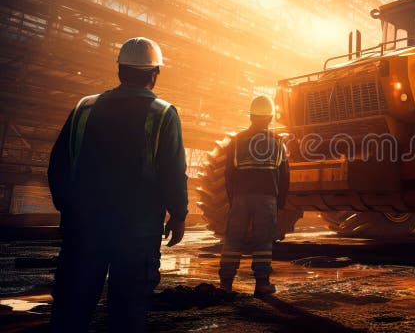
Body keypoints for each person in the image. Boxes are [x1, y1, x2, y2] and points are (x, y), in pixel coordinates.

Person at [48, 37, 188, 332]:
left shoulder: (84, 108)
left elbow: (58, 165)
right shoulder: (163, 114)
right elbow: (173, 172)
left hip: (84, 229)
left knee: (71, 310)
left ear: (120, 70)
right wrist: (178, 215)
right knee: (127, 312)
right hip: (137, 233)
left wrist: (70, 210)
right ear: (154, 74)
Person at [219, 96, 289, 299]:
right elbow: (284, 174)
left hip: (241, 197)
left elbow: (228, 173)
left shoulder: (237, 140)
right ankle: (262, 284)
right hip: (267, 198)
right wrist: (280, 202)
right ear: (269, 118)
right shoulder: (277, 142)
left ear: (251, 116)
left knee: (232, 240)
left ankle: (225, 284)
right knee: (263, 242)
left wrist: (233, 199)